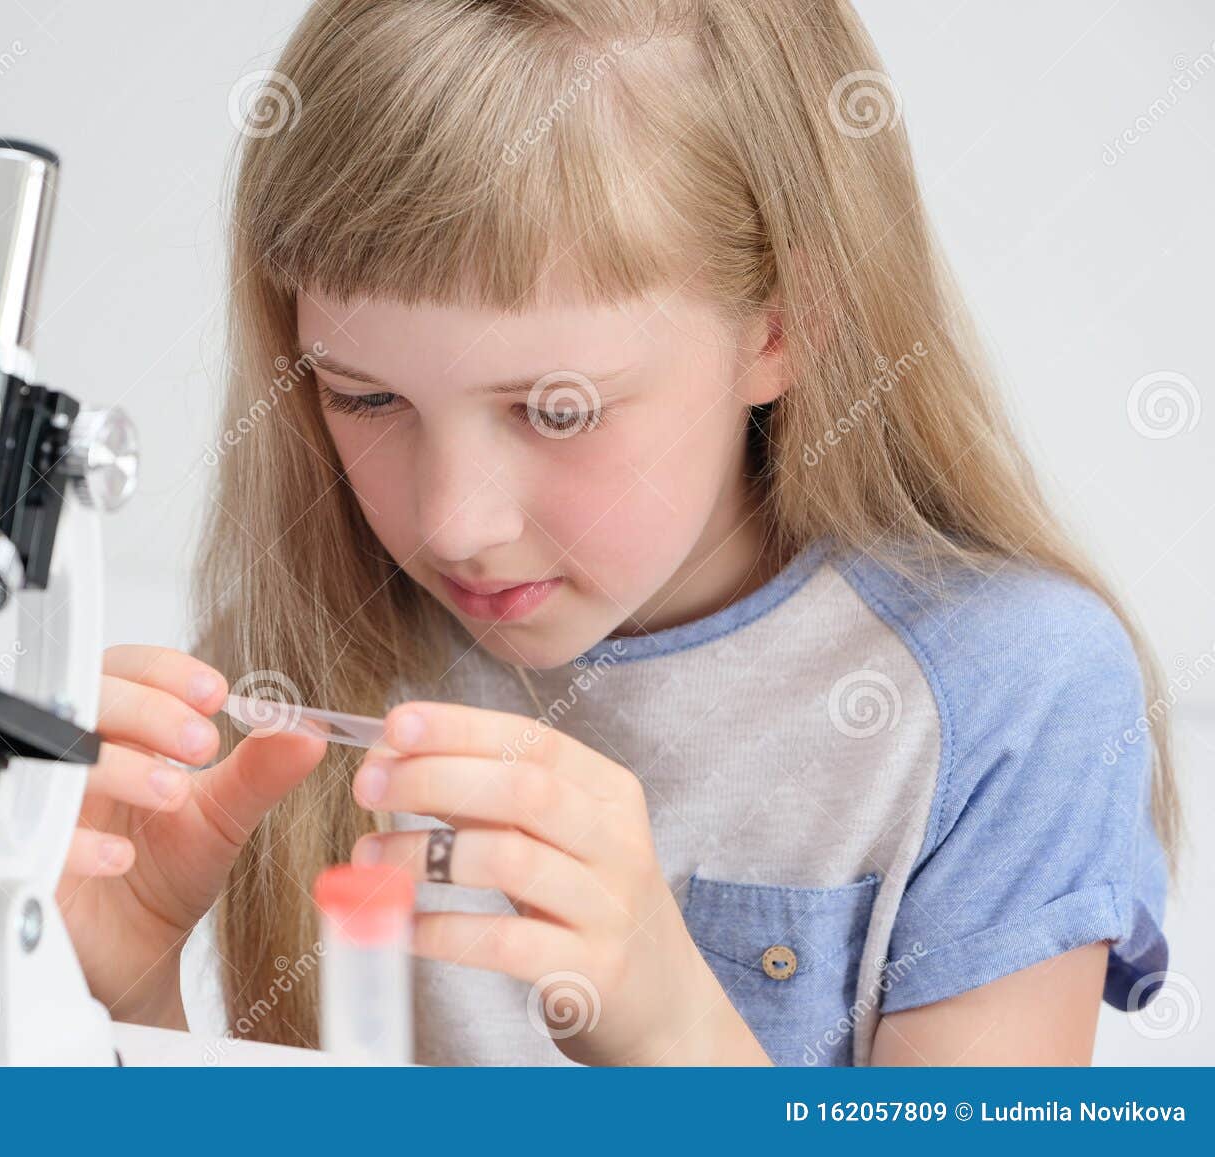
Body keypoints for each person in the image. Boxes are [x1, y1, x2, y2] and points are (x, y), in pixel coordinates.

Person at [56, 0, 1175, 1066]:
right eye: (363, 397)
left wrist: (673, 1034)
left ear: (785, 326)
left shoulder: (1011, 694)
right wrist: (118, 1003)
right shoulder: (316, 647)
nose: (453, 521)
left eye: (557, 410)